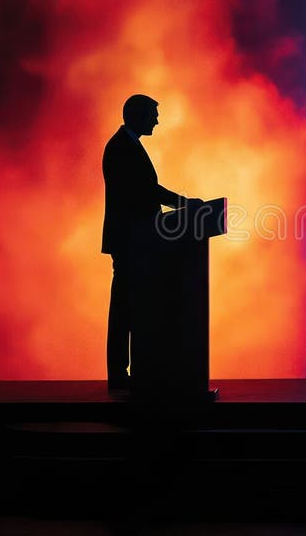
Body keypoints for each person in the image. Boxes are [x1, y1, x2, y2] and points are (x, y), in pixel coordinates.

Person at [101, 93, 201, 391]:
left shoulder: (126, 145)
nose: (157, 120)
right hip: (132, 239)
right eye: (153, 115)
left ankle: (123, 373)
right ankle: (119, 374)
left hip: (136, 238)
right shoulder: (122, 147)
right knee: (125, 309)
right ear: (137, 115)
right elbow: (145, 191)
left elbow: (144, 191)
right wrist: (184, 203)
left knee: (128, 307)